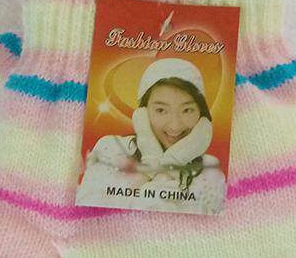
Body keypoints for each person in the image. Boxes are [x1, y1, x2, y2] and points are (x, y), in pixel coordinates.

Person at [77, 58, 226, 215]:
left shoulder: (209, 170)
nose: (174, 126)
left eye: (187, 110)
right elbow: (90, 211)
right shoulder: (112, 149)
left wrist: (173, 162)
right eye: (161, 110)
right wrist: (150, 162)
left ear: (202, 116)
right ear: (142, 113)